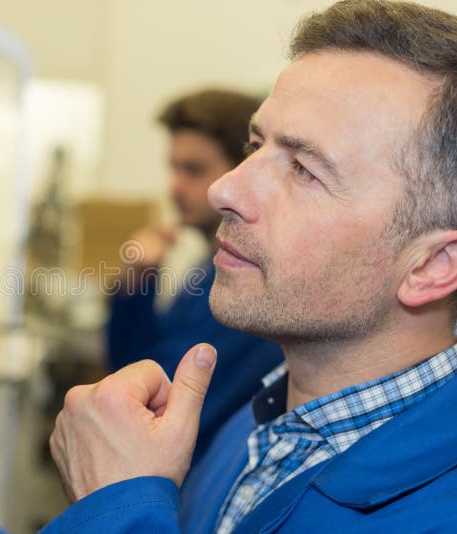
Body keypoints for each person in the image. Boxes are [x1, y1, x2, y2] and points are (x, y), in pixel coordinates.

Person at [0, 1, 457, 532]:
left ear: (435, 264)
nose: (224, 188)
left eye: (303, 168)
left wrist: (120, 503)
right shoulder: (269, 418)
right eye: (255, 146)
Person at [107, 89, 283, 459]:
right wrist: (136, 283)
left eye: (194, 170)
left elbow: (151, 405)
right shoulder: (208, 268)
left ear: (241, 170)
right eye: (173, 168)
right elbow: (132, 367)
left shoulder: (251, 282)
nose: (174, 186)